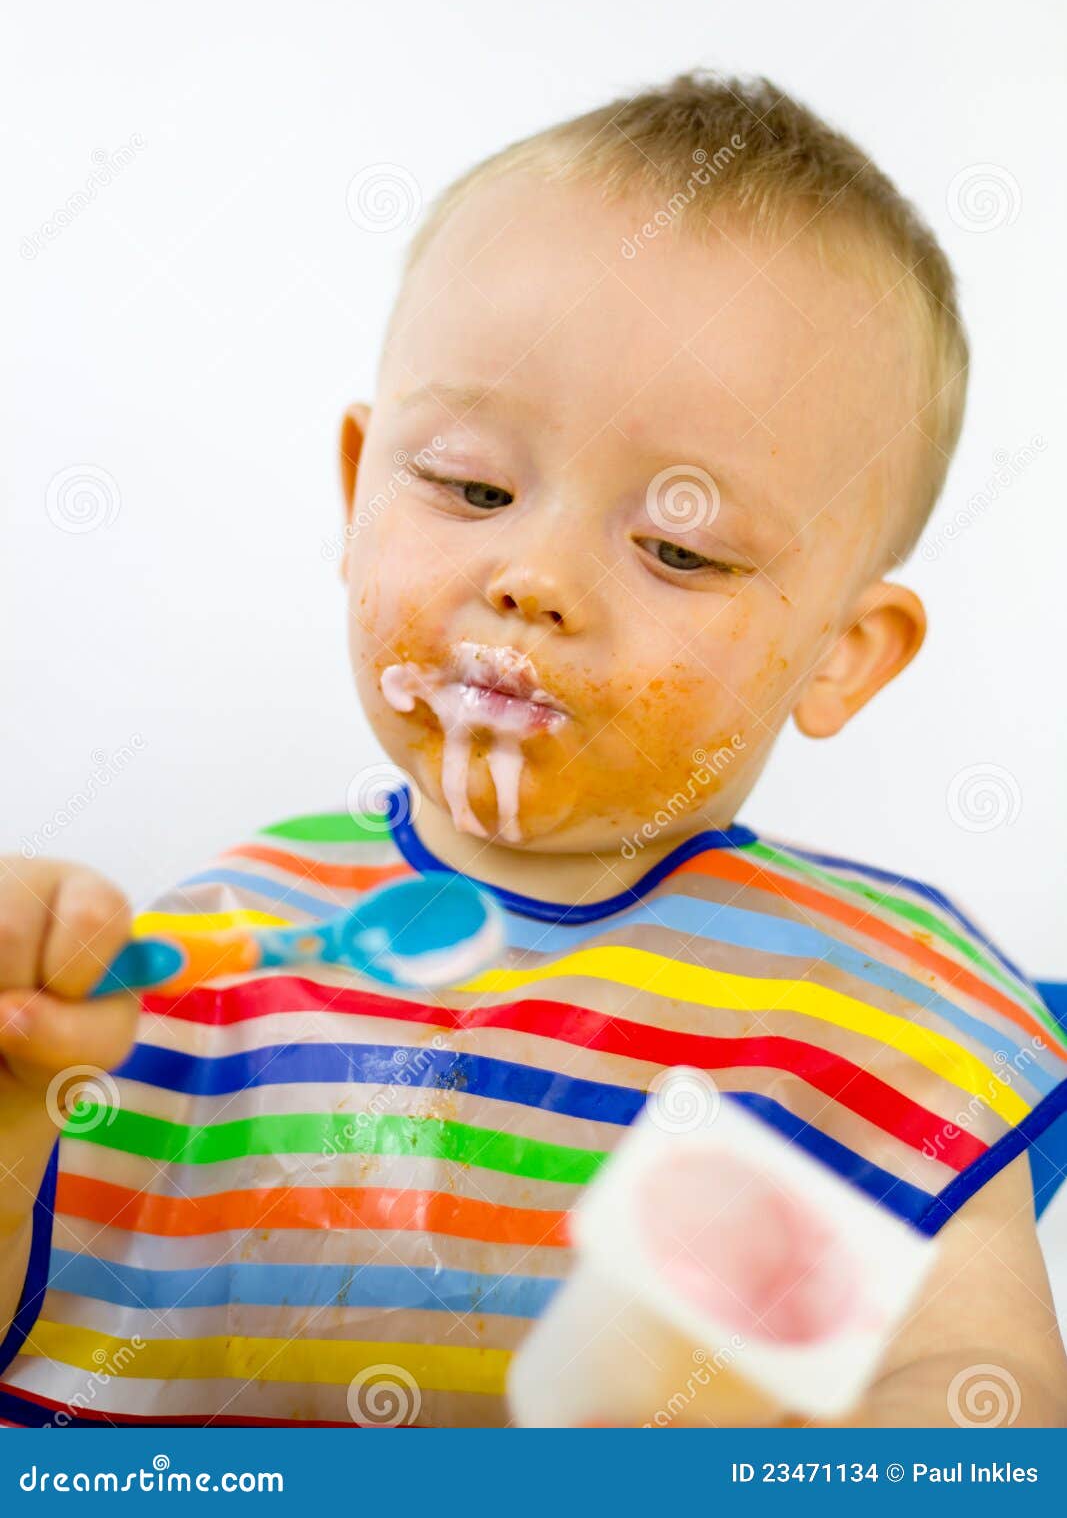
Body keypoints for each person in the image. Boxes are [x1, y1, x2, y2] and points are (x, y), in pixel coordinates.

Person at [2, 73, 1065, 1428]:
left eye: (680, 547)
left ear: (844, 652)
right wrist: (18, 1113)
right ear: (357, 488)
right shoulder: (212, 961)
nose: (535, 576)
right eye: (471, 485)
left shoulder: (881, 1023)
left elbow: (990, 1407)